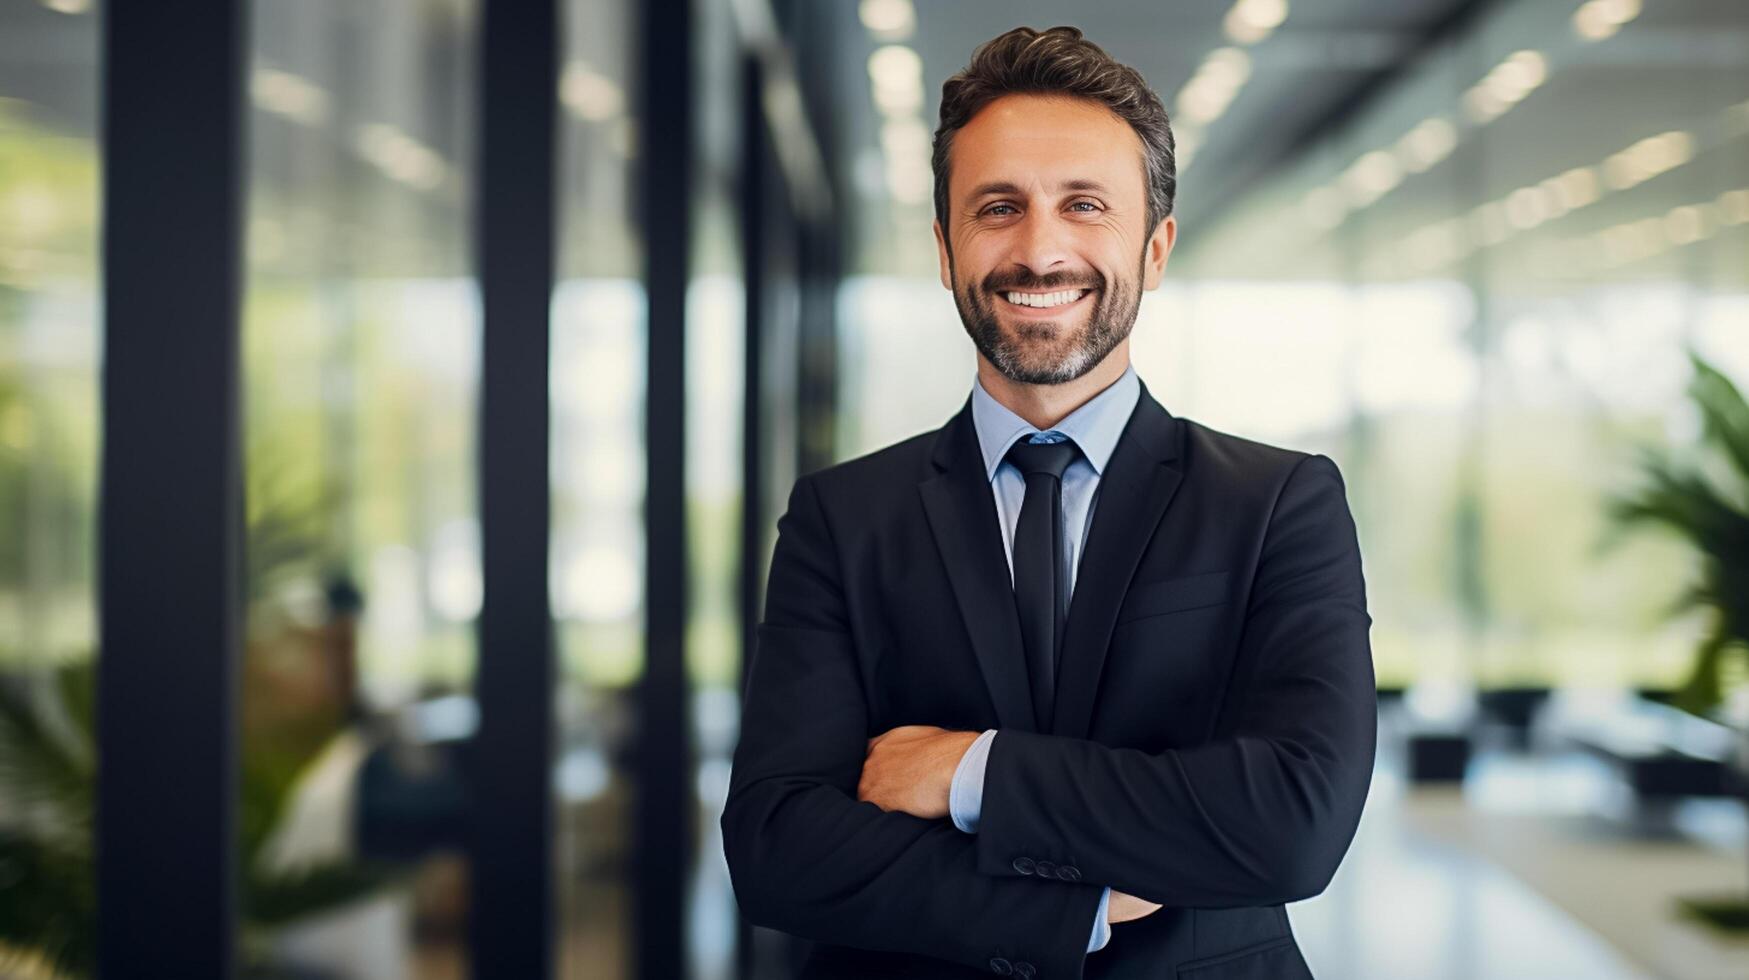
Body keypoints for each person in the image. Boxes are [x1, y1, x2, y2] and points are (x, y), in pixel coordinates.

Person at [722, 25, 1375, 980]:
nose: (1039, 250)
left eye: (1083, 206)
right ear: (945, 250)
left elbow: (1293, 822)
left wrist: (969, 772)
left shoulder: (1278, 504)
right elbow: (780, 850)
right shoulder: (840, 517)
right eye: (998, 208)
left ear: (1153, 249)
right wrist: (1074, 902)